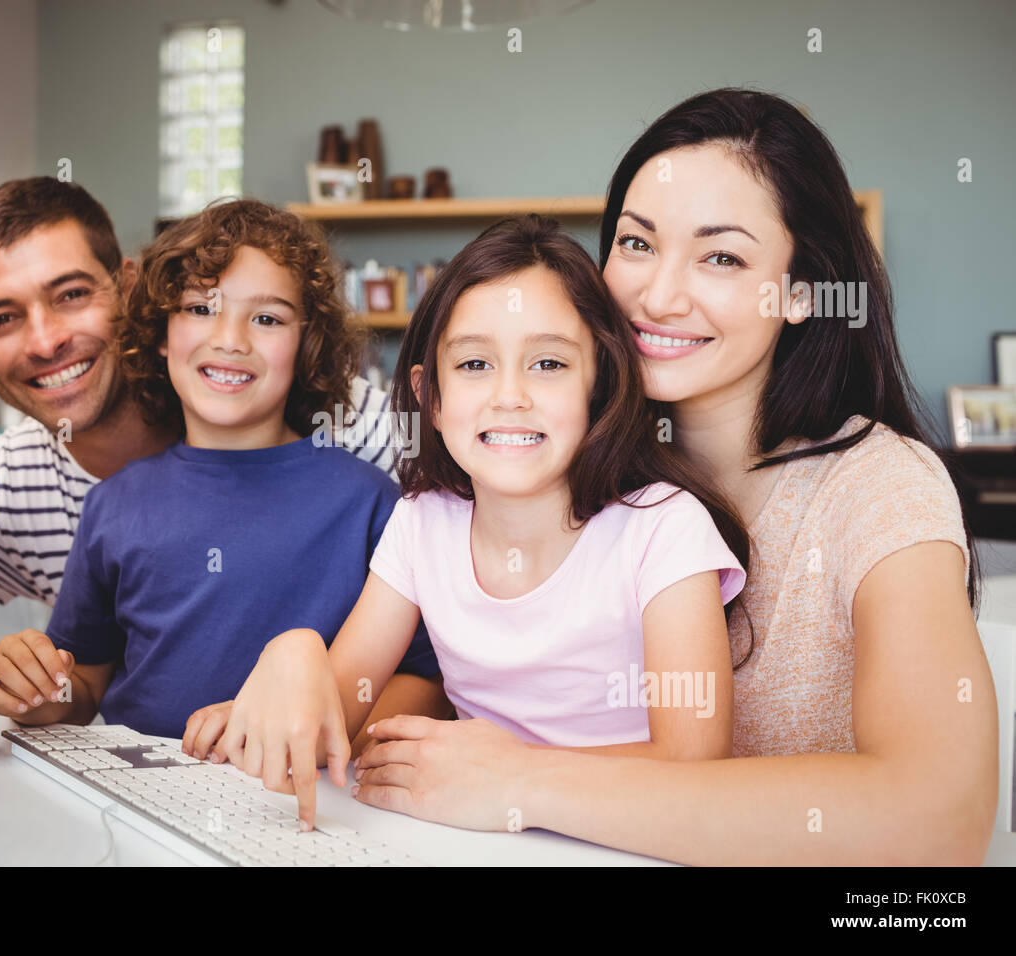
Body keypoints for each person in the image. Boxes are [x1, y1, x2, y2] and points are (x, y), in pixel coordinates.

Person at [350, 89, 999, 865]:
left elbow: (941, 818)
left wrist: (527, 781)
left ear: (800, 291)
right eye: (636, 243)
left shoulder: (879, 488)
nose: (658, 296)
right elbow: (456, 649)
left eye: (722, 256)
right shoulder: (553, 465)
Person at [0, 177, 408, 755]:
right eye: (1, 318)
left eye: (71, 294)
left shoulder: (356, 433)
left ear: (132, 290)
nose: (46, 339)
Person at [186, 214, 753, 829]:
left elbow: (697, 761)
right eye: (475, 365)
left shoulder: (664, 528)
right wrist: (289, 671)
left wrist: (508, 777)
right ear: (430, 397)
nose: (510, 395)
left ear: (601, 385)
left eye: (549, 364)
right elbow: (344, 707)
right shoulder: (422, 523)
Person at [0, 198, 444, 745]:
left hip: (304, 801)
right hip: (139, 799)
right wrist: (32, 686)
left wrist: (309, 737)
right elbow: (85, 686)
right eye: (200, 308)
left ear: (306, 344)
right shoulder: (114, 504)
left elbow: (425, 681)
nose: (230, 339)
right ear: (161, 332)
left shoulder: (368, 503)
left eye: (266, 318)